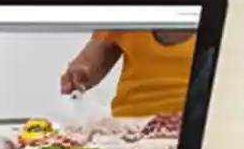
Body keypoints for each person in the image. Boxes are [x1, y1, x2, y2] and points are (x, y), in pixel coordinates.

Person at [60, 30, 196, 118]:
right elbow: (93, 61)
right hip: (128, 127)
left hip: (198, 127)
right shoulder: (131, 5)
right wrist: (81, 73)